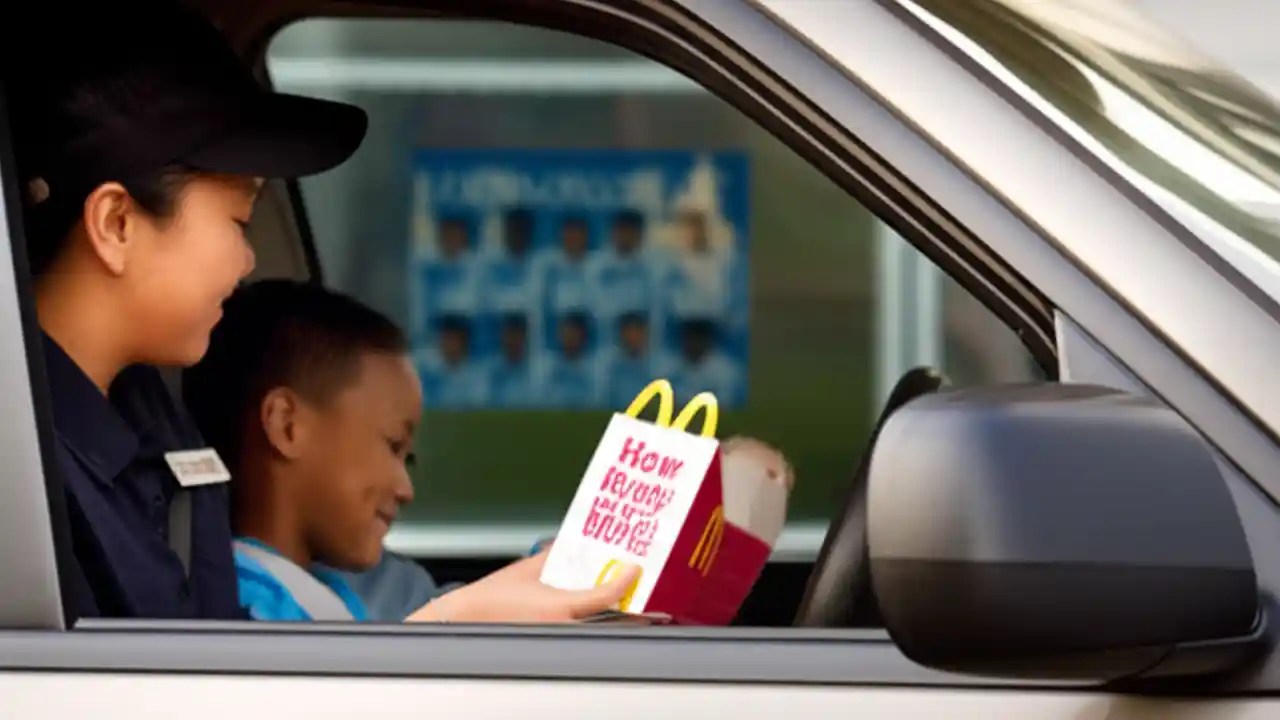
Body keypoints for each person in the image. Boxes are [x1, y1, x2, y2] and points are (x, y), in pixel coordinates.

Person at [4, 0, 367, 619]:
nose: (250, 260)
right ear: (117, 224)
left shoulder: (148, 418)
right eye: (238, 220)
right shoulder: (26, 487)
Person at [184, 279, 638, 622]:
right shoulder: (244, 608)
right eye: (392, 446)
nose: (406, 489)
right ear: (288, 426)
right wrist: (451, 622)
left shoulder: (331, 591)